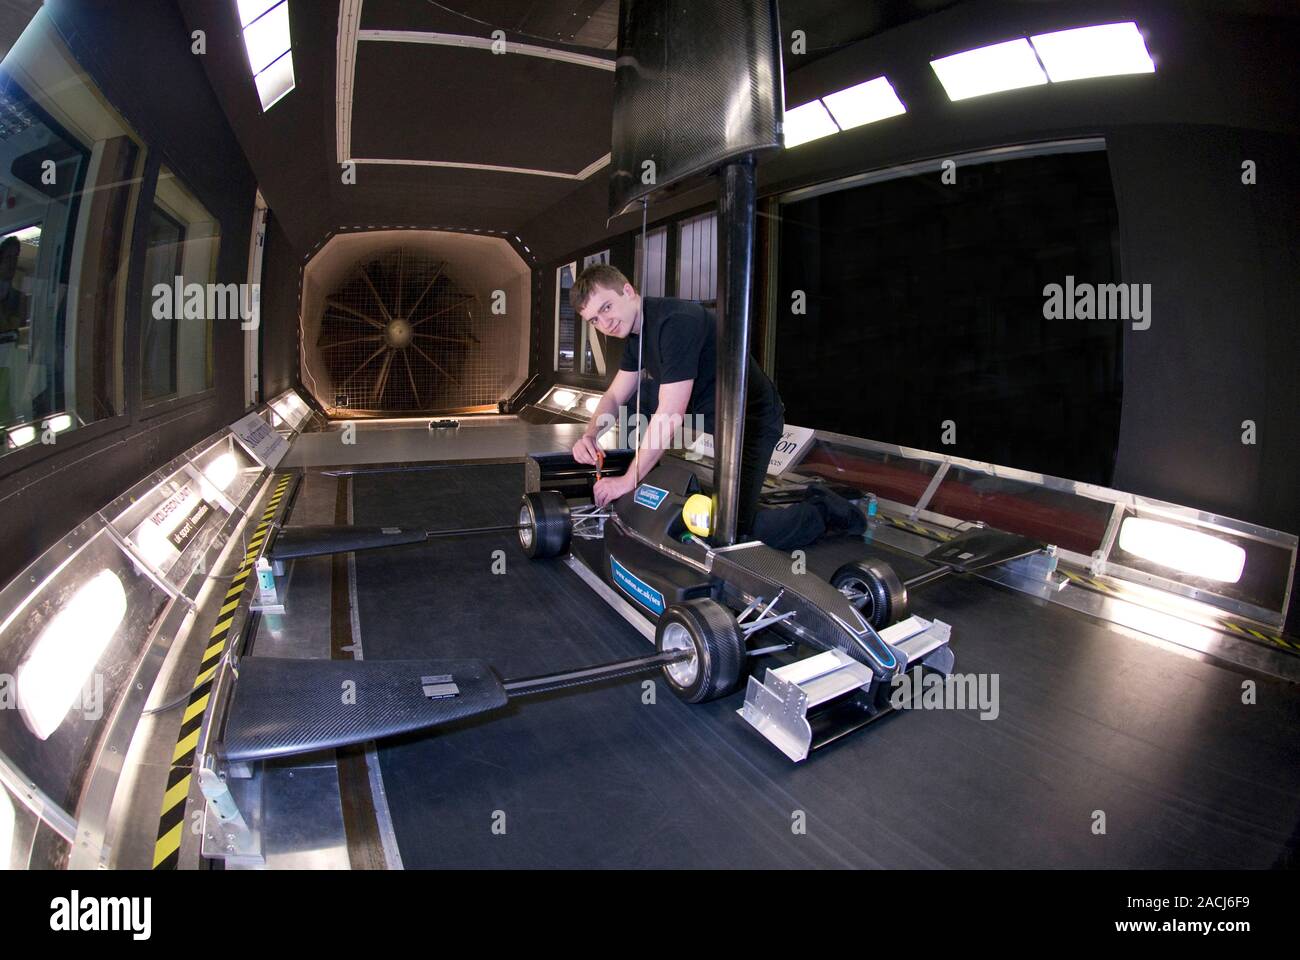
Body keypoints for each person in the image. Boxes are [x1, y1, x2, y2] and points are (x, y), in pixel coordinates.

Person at [569, 262, 785, 540]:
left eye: (606, 307)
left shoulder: (676, 322)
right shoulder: (637, 334)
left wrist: (627, 481)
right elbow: (614, 395)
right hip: (713, 413)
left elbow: (670, 413)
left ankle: (828, 511)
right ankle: (641, 472)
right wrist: (589, 435)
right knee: (637, 396)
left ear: (627, 291)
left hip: (750, 421)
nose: (604, 323)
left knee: (730, 529)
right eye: (594, 320)